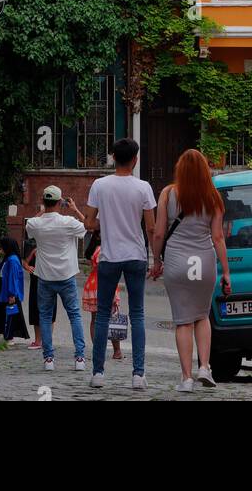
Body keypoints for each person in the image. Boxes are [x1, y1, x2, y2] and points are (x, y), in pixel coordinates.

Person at [151, 148, 231, 392]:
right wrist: (226, 272)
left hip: (177, 262)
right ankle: (204, 366)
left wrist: (156, 260)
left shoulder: (168, 193)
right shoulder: (213, 197)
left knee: (183, 321)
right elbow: (218, 237)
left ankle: (186, 378)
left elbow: (159, 232)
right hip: (204, 261)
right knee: (202, 316)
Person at [84, 137, 155, 388]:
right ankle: (138, 374)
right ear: (134, 160)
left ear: (113, 157)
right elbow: (151, 227)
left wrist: (106, 223)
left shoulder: (99, 185)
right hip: (135, 254)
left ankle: (98, 373)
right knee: (137, 314)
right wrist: (157, 259)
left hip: (109, 256)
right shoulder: (143, 187)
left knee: (102, 314)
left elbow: (89, 223)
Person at [23, 186, 87, 372]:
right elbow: (88, 225)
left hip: (45, 276)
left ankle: (49, 359)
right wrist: (74, 209)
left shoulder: (36, 223)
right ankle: (80, 358)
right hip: (66, 275)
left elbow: (30, 224)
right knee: (74, 315)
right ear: (61, 202)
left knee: (44, 316)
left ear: (43, 202)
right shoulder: (68, 222)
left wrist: (43, 211)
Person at [81, 233, 124, 361]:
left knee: (95, 319)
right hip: (106, 284)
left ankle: (98, 350)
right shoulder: (104, 249)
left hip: (93, 284)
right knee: (112, 317)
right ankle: (117, 351)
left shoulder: (95, 249)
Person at [0, 237, 30, 342]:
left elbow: (13, 278)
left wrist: (12, 294)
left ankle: (9, 337)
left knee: (10, 315)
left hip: (9, 293)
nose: (1, 249)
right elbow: (3, 269)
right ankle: (5, 335)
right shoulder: (9, 258)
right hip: (4, 292)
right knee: (6, 314)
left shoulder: (13, 260)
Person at [21, 236, 41, 347]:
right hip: (35, 282)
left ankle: (47, 340)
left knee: (49, 312)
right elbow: (24, 262)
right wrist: (28, 267)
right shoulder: (35, 250)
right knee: (35, 310)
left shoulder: (51, 249)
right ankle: (38, 340)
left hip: (48, 282)